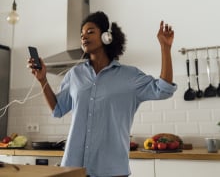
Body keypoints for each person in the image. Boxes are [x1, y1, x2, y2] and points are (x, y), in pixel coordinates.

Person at [28, 11, 177, 177]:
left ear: (107, 36)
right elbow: (58, 109)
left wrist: (165, 48)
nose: (84, 37)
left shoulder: (129, 76)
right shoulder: (75, 75)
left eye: (90, 31)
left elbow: (163, 89)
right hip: (73, 167)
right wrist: (43, 80)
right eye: (82, 34)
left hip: (111, 170)